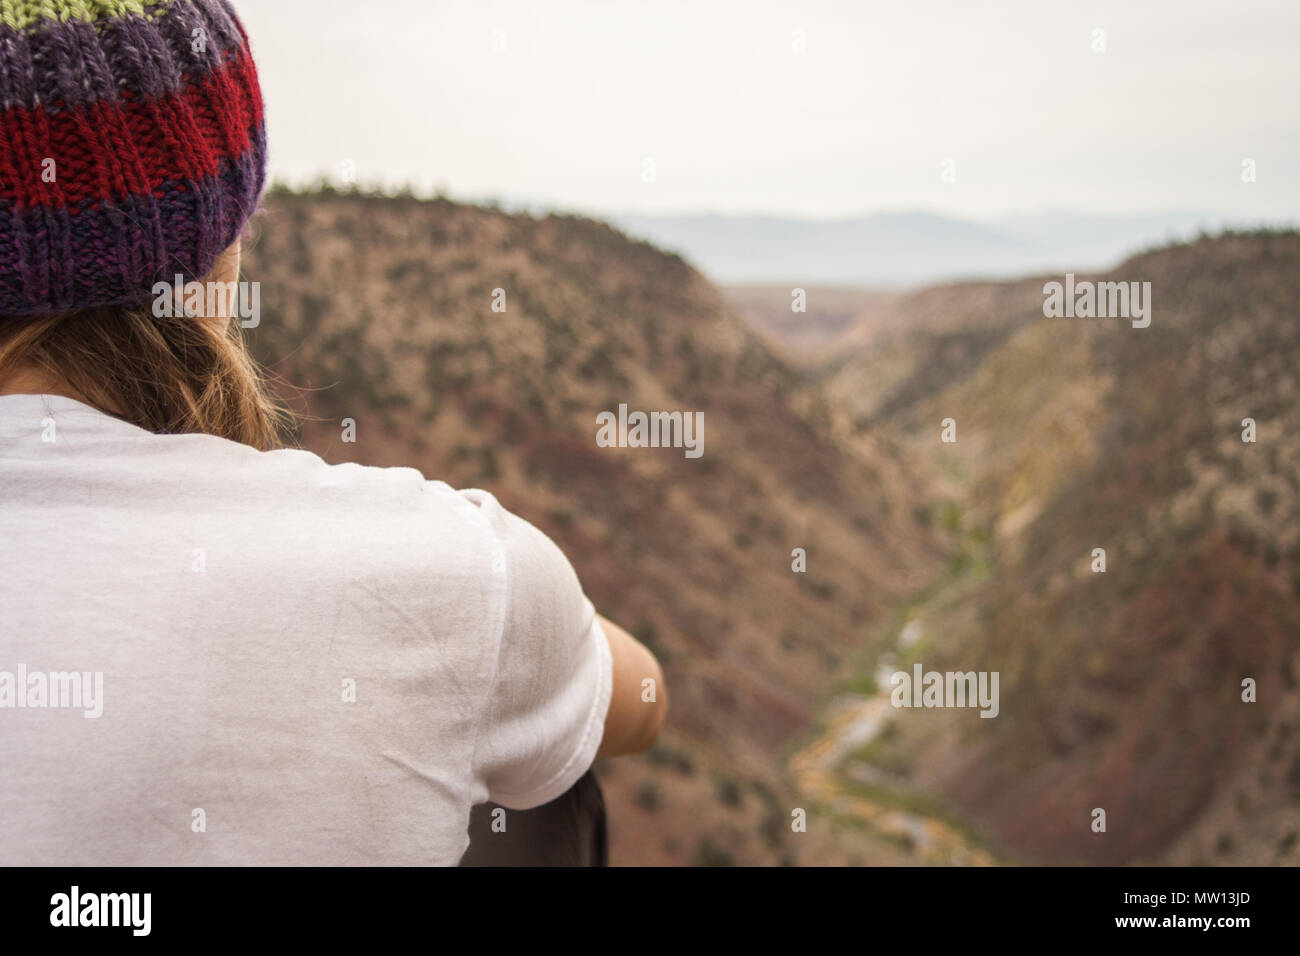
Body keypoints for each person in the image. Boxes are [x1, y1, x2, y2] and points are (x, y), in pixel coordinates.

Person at [0, 0, 665, 865]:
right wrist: (517, 619)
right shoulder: (435, 569)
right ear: (222, 243)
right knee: (549, 785)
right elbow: (642, 700)